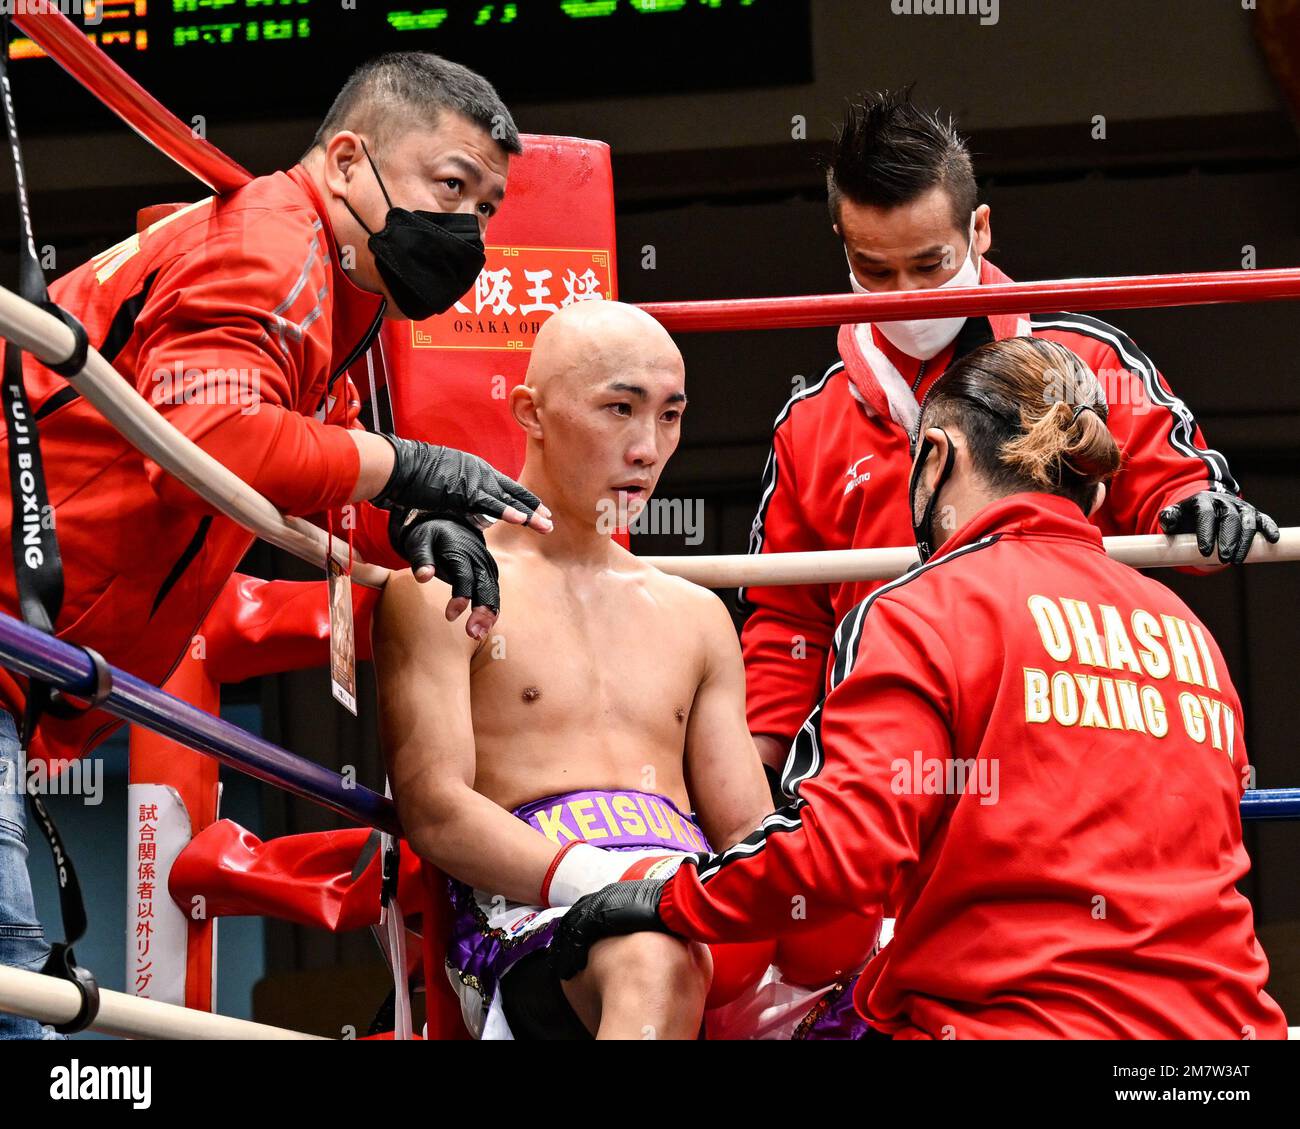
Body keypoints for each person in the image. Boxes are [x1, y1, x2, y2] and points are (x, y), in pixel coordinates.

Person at [0, 52, 552, 1039]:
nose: (466, 229)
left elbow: (300, 453)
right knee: (12, 992)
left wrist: (407, 519)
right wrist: (408, 466)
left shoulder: (324, 278)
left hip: (24, 649)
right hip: (15, 629)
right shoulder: (270, 247)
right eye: (451, 187)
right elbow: (207, 439)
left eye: (487, 207)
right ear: (347, 161)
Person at [551, 337, 1288, 1040]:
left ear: (938, 456)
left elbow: (841, 856)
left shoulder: (923, 607)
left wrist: (668, 895)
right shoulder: (1184, 625)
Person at [742, 90, 1279, 775]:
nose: (904, 294)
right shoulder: (809, 424)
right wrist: (753, 786)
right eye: (875, 271)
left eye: (930, 264)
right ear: (843, 246)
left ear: (981, 229)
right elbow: (786, 624)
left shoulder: (1087, 361)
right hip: (887, 744)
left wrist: (1205, 505)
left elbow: (1181, 506)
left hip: (1066, 716)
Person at [372, 301, 776, 1040]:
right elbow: (433, 806)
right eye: (619, 408)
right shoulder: (449, 588)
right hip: (528, 915)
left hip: (686, 902)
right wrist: (607, 883)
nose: (648, 447)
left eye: (669, 415)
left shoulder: (697, 615)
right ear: (531, 411)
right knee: (653, 955)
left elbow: (749, 826)